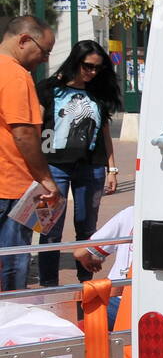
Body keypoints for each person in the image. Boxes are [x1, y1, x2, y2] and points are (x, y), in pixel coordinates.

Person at [35, 40, 123, 287]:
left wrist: (112, 169)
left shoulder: (99, 93)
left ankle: (86, 285)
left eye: (98, 68)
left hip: (91, 168)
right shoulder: (48, 89)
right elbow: (35, 129)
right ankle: (48, 286)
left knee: (87, 230)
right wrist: (35, 170)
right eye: (88, 66)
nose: (92, 72)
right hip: (52, 168)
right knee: (49, 230)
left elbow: (105, 134)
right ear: (76, 61)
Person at [0, 15, 60, 290]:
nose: (45, 59)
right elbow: (23, 134)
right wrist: (46, 179)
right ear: (24, 40)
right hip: (12, 186)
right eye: (44, 51)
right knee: (13, 264)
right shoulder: (15, 75)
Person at [73, 204, 133, 329]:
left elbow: (80, 253)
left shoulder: (131, 213)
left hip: (121, 303)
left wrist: (90, 260)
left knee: (82, 298)